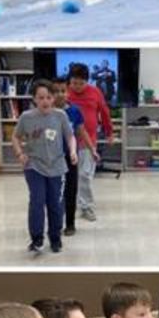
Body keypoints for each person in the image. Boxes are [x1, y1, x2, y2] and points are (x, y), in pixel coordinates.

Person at [12, 80, 77, 255]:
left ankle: (55, 238)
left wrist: (73, 152)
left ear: (54, 98)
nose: (45, 101)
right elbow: (16, 137)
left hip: (57, 166)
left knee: (55, 205)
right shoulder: (26, 117)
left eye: (48, 97)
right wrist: (20, 154)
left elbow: (70, 137)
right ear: (34, 99)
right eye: (41, 98)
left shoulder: (60, 115)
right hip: (34, 165)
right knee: (37, 201)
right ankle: (37, 239)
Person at [66, 64, 114, 223]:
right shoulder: (63, 93)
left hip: (88, 141)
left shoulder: (95, 92)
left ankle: (86, 206)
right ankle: (66, 205)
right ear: (69, 81)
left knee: (85, 175)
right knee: (66, 176)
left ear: (87, 81)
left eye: (81, 83)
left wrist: (109, 132)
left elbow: (105, 112)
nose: (77, 87)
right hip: (66, 141)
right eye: (74, 83)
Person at [54, 78, 96, 236]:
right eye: (55, 91)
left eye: (62, 91)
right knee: (54, 192)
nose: (59, 94)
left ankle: (70, 224)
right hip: (51, 159)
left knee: (71, 191)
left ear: (67, 92)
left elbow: (81, 131)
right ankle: (55, 223)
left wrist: (92, 149)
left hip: (70, 157)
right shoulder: (47, 111)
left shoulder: (74, 111)